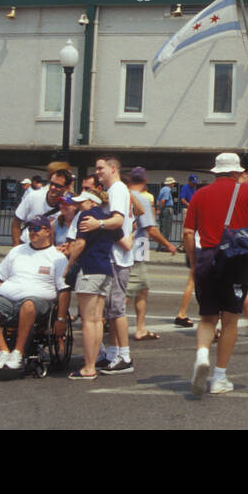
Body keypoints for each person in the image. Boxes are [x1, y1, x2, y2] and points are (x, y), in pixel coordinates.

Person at [184, 152, 248, 395]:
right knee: (230, 320)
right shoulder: (246, 192)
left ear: (216, 171)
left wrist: (195, 262)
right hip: (235, 260)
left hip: (207, 256)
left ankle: (202, 355)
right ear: (237, 172)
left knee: (207, 318)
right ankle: (219, 377)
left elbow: (187, 233)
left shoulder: (200, 194)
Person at [0, 215, 70, 371]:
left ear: (47, 231)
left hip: (39, 303)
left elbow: (64, 290)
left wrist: (61, 318)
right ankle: (3, 352)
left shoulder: (57, 257)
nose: (32, 232)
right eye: (29, 229)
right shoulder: (16, 251)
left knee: (28, 304)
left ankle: (18, 353)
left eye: (36, 229)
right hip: (8, 299)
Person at [65, 183, 123, 380]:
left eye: (82, 202)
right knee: (97, 320)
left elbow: (80, 243)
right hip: (105, 268)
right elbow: (121, 237)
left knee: (89, 321)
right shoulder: (108, 219)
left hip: (89, 268)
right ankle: (95, 361)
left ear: (91, 202)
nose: (80, 206)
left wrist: (69, 263)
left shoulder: (86, 216)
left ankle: (89, 367)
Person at [85, 156, 135, 375]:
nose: (97, 173)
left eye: (100, 168)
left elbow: (117, 220)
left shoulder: (117, 190)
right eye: (96, 169)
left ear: (113, 168)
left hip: (117, 258)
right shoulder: (115, 190)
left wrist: (99, 223)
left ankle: (125, 356)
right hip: (113, 256)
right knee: (111, 310)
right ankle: (114, 353)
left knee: (116, 309)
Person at [129, 173, 178, 341]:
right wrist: (168, 244)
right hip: (135, 253)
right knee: (127, 295)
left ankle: (140, 328)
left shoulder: (125, 195)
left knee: (142, 289)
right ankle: (108, 323)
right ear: (144, 181)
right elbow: (151, 229)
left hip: (131, 252)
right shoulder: (141, 199)